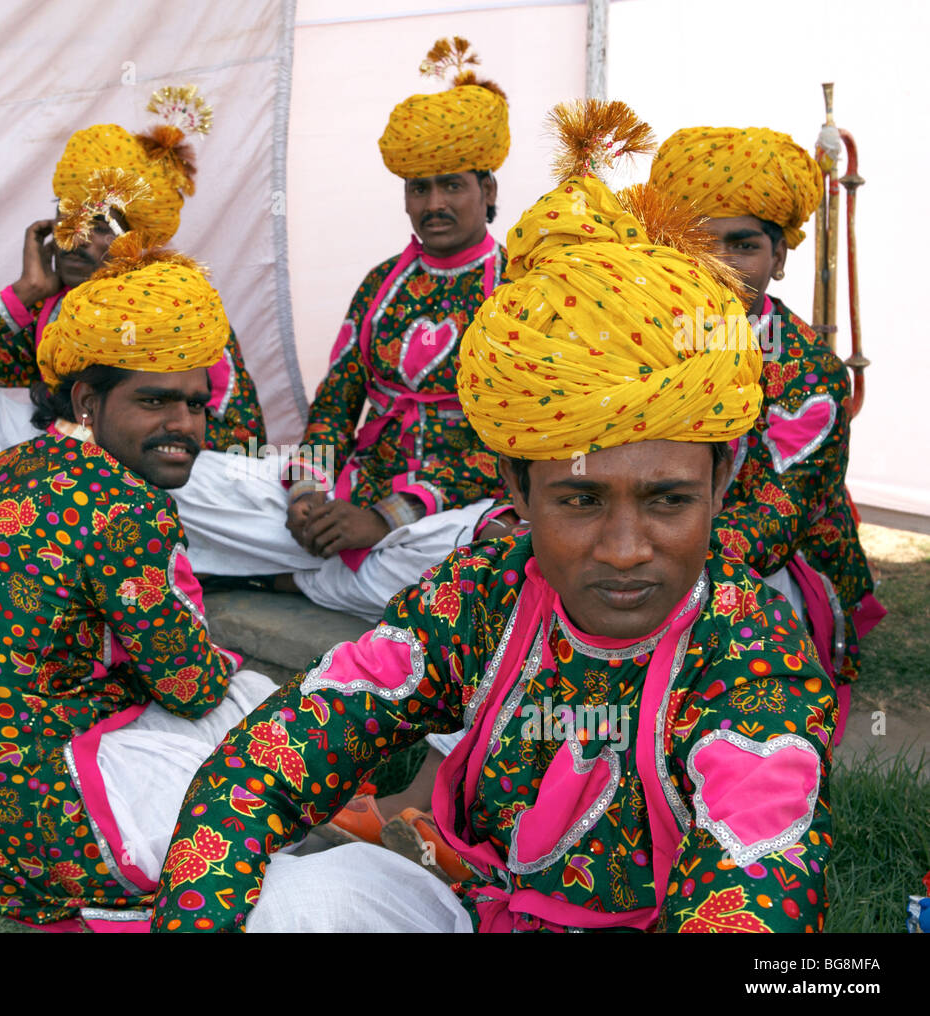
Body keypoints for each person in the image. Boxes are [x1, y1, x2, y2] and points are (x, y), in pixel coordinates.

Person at [149, 102, 837, 933]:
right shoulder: (486, 586)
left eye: (667, 499)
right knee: (296, 903)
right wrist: (311, 491)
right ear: (517, 485)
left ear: (720, 479)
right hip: (476, 898)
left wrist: (395, 510)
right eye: (580, 500)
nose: (624, 551)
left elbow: (756, 874)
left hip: (426, 521)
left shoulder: (751, 654)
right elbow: (267, 761)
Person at [0, 210, 276, 931]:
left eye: (194, 404)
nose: (183, 425)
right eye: (153, 400)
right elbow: (190, 685)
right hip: (24, 820)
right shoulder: (125, 506)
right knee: (254, 714)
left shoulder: (15, 461)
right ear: (90, 402)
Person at [170, 38, 516, 620]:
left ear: (488, 191)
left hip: (446, 510)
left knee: (498, 548)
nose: (433, 203)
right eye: (418, 187)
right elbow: (334, 407)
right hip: (353, 490)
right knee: (190, 477)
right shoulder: (381, 285)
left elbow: (511, 439)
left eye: (451, 184)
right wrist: (309, 494)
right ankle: (319, 559)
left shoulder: (518, 289)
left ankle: (291, 579)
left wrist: (385, 518)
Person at [649, 126, 883, 730]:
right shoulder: (641, 341)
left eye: (743, 245)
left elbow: (771, 522)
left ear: (778, 258)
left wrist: (636, 560)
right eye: (700, 242)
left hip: (771, 564)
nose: (720, 265)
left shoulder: (810, 373)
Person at [0, 86, 266, 472]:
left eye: (99, 225)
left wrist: (128, 430)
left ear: (138, 240)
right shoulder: (53, 316)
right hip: (68, 482)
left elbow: (248, 443)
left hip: (164, 478)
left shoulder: (182, 312)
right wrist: (25, 292)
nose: (74, 237)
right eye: (66, 218)